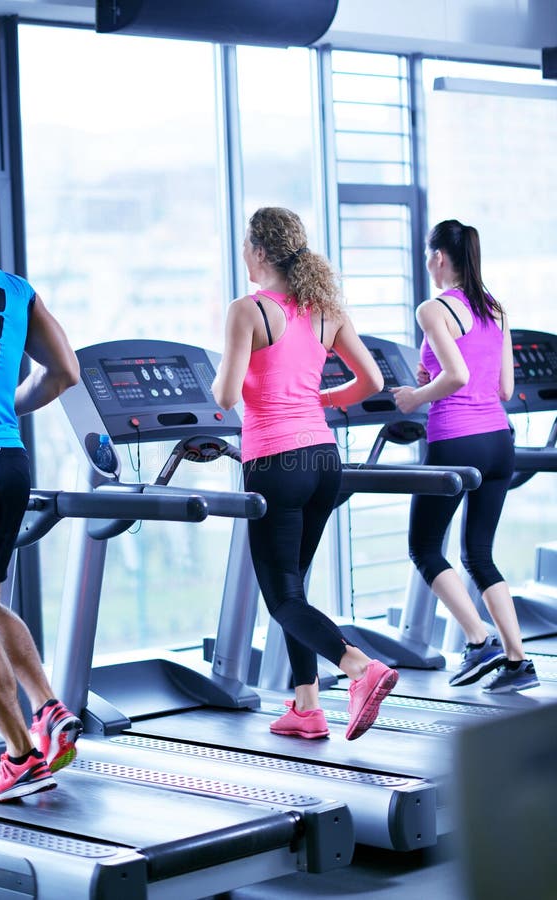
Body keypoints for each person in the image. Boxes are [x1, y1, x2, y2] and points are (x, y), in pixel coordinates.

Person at [212, 206, 399, 741]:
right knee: (295, 587)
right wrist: (320, 398)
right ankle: (307, 707)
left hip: (276, 462)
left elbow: (226, 397)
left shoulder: (247, 310)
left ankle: (361, 668)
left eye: (247, 245)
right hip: (323, 459)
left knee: (284, 597)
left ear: (262, 252)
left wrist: (233, 384)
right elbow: (371, 380)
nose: (243, 254)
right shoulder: (325, 309)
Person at [0, 196, 84, 801]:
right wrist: (6, 410)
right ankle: (49, 709)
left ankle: (19, 755)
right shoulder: (14, 288)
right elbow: (65, 372)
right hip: (10, 461)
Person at [390, 219, 538, 693]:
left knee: (424, 547)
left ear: (438, 258)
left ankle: (479, 640)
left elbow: (453, 376)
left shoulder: (433, 309)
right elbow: (505, 387)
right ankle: (518, 661)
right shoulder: (493, 307)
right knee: (478, 553)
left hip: (457, 439)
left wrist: (415, 397)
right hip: (499, 440)